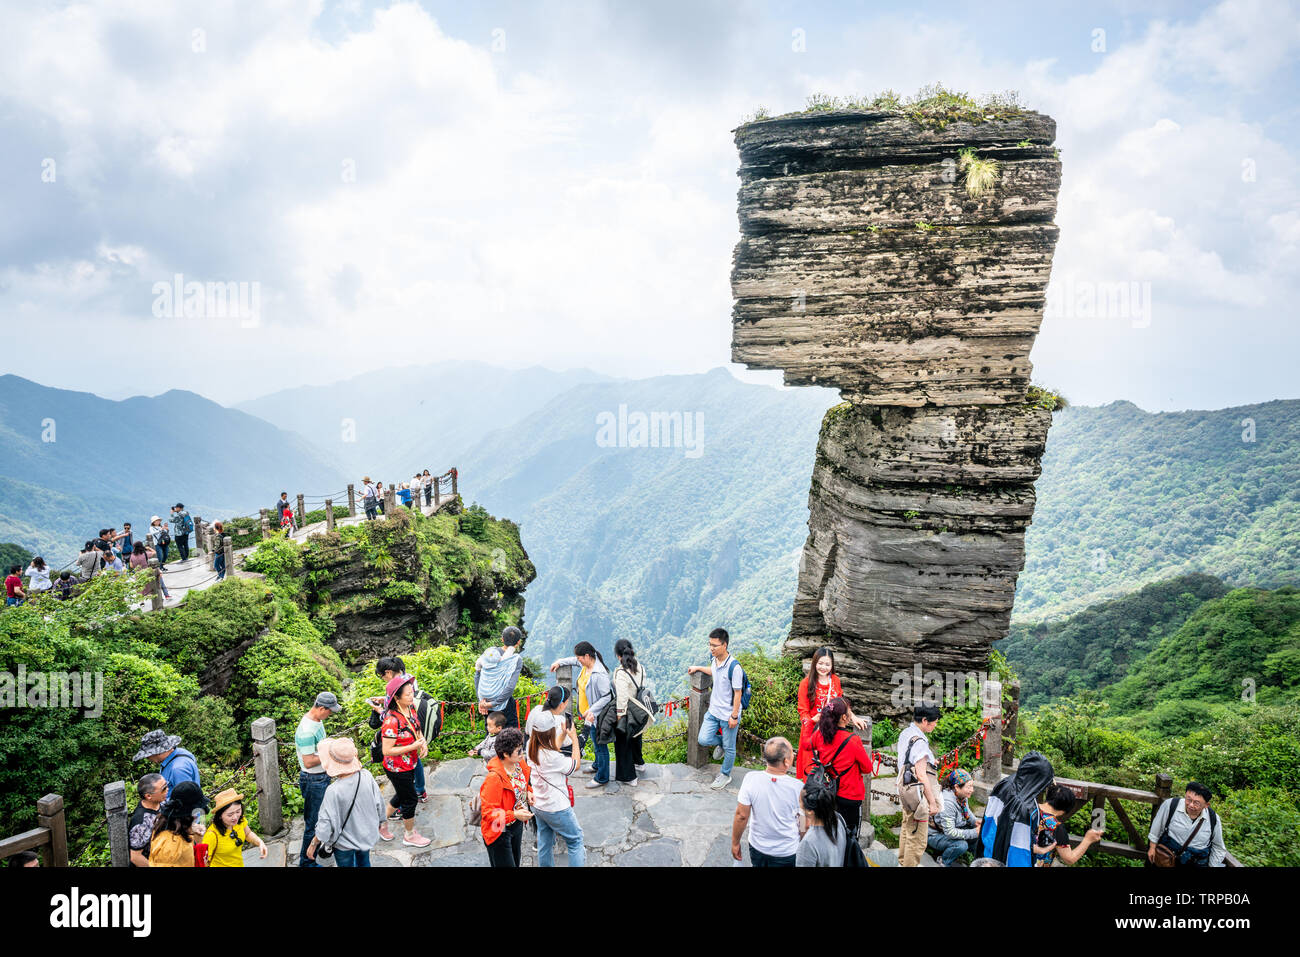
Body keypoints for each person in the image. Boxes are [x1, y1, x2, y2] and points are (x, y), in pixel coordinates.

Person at [306, 738, 385, 867]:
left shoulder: (333, 791)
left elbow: (325, 824)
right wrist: (380, 822)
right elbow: (379, 803)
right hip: (364, 835)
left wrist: (314, 843)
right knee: (364, 862)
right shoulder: (366, 776)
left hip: (344, 844)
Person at [375, 675, 432, 847]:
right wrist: (412, 746)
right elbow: (387, 750)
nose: (411, 695)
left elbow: (417, 728)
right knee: (410, 800)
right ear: (396, 698)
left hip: (410, 762)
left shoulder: (410, 708)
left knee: (402, 794)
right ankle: (409, 835)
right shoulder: (391, 721)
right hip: (397, 768)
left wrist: (422, 743)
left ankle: (381, 823)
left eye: (412, 691)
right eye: (407, 694)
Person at [368, 656, 434, 803]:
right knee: (414, 758)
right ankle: (420, 791)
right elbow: (402, 701)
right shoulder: (409, 679)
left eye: (381, 676)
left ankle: (404, 800)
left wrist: (380, 711)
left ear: (388, 672)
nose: (383, 679)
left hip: (402, 728)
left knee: (404, 760)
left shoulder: (396, 685)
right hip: (412, 724)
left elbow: (398, 709)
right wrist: (384, 699)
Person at [796, 648, 867, 780]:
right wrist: (812, 720)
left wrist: (853, 717)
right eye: (820, 663)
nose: (823, 667)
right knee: (812, 772)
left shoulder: (835, 680)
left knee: (831, 771)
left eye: (827, 664)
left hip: (832, 731)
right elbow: (802, 710)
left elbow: (841, 703)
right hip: (812, 731)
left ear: (832, 665)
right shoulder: (806, 683)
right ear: (814, 663)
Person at [807, 697, 875, 838]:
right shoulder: (853, 740)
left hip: (827, 792)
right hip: (849, 795)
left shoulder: (819, 735)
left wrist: (812, 724)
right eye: (849, 711)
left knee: (829, 834)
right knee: (849, 837)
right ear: (844, 717)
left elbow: (806, 745)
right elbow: (867, 768)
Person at [549, 641, 612, 788]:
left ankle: (602, 777)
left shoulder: (599, 674)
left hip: (595, 716)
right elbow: (573, 660)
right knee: (595, 742)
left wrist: (592, 710)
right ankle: (597, 765)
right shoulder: (585, 665)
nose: (577, 660)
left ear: (587, 656)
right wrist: (559, 662)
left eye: (579, 658)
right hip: (587, 715)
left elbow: (607, 696)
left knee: (600, 747)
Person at [687, 627, 745, 790]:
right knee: (703, 739)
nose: (711, 648)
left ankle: (725, 774)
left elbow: (738, 693)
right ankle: (723, 744)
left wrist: (734, 716)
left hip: (728, 715)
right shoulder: (715, 660)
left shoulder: (735, 667)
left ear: (724, 645)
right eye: (710, 644)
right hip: (713, 712)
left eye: (715, 645)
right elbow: (713, 671)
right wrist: (698, 667)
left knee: (730, 748)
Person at [733, 736, 804, 867]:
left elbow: (741, 816)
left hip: (758, 846)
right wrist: (802, 841)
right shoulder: (798, 787)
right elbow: (804, 822)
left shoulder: (751, 779)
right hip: (786, 851)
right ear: (786, 761)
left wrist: (735, 842)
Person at [528, 707, 585, 867]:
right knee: (575, 841)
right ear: (549, 733)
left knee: (545, 842)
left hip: (539, 806)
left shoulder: (530, 747)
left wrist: (563, 734)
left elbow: (551, 747)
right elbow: (575, 765)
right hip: (557, 808)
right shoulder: (553, 757)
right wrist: (574, 739)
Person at [980, 750, 1057, 866]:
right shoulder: (1027, 808)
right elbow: (1019, 850)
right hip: (1005, 859)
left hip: (989, 847)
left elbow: (988, 818)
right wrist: (1039, 850)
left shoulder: (1005, 783)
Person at [295, 692, 342, 866]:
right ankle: (306, 862)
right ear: (321, 708)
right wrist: (331, 753)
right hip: (313, 779)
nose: (330, 715)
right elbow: (308, 761)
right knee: (313, 823)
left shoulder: (317, 721)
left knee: (324, 817)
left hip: (321, 776)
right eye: (329, 711)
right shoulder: (307, 731)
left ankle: (320, 848)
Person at [479, 727, 533, 867]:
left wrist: (529, 791)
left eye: (522, 747)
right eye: (519, 750)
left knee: (515, 861)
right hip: (499, 830)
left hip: (516, 824)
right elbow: (488, 813)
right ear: (505, 754)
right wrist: (514, 814)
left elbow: (523, 782)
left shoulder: (518, 763)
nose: (523, 753)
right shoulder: (494, 779)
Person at [896, 703, 942, 867]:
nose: (935, 725)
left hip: (904, 788)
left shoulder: (906, 733)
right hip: (917, 795)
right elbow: (922, 775)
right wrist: (932, 802)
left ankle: (902, 862)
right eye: (934, 722)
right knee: (917, 840)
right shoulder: (920, 742)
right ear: (924, 720)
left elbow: (908, 759)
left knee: (907, 828)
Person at [1147, 781, 1226, 868]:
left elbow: (1218, 847)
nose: (1191, 805)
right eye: (1188, 799)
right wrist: (1152, 847)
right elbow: (1157, 827)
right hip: (1167, 858)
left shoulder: (1213, 819)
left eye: (1197, 803)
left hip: (1196, 862)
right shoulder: (1171, 805)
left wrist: (1213, 865)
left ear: (1206, 805)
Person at [1027, 783, 1105, 866]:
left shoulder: (1027, 808)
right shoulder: (1056, 827)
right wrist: (1088, 839)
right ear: (1064, 811)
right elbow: (1069, 859)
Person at [611, 642, 651, 786]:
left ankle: (629, 777)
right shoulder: (639, 666)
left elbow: (622, 696)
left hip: (627, 710)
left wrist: (620, 715)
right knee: (636, 737)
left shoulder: (622, 672)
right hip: (639, 709)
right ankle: (639, 763)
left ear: (618, 656)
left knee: (623, 743)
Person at [148, 781, 208, 867]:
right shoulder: (171, 842)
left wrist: (197, 836)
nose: (197, 817)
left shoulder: (179, 829)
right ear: (187, 816)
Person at [475, 625, 525, 728]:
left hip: (486, 700)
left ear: (502, 639)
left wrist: (482, 701)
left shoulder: (489, 654)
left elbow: (477, 675)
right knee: (511, 735)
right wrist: (494, 703)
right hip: (504, 704)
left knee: (491, 733)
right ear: (518, 642)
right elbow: (510, 687)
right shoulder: (516, 659)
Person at [928, 768, 981, 866]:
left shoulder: (961, 795)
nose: (972, 790)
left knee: (977, 834)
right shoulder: (948, 803)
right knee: (961, 845)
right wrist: (974, 832)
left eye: (972, 786)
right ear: (957, 787)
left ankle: (975, 861)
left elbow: (966, 812)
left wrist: (975, 821)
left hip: (949, 828)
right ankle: (944, 861)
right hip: (935, 834)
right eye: (969, 787)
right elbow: (950, 832)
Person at [202, 789, 266, 866]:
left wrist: (260, 842)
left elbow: (248, 833)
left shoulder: (240, 821)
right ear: (219, 816)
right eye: (230, 815)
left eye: (238, 811)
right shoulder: (211, 835)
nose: (235, 817)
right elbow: (203, 861)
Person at [796, 780, 847, 867]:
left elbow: (805, 829)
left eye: (800, 802)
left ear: (810, 811)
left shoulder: (808, 843)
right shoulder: (838, 820)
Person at [134, 730, 200, 791]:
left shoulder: (178, 769)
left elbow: (185, 800)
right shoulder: (180, 752)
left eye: (148, 756)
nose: (147, 758)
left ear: (158, 752)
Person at [128, 773, 168, 867]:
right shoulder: (141, 822)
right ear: (148, 796)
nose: (167, 790)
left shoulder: (160, 803)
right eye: (163, 789)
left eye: (167, 785)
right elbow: (135, 857)